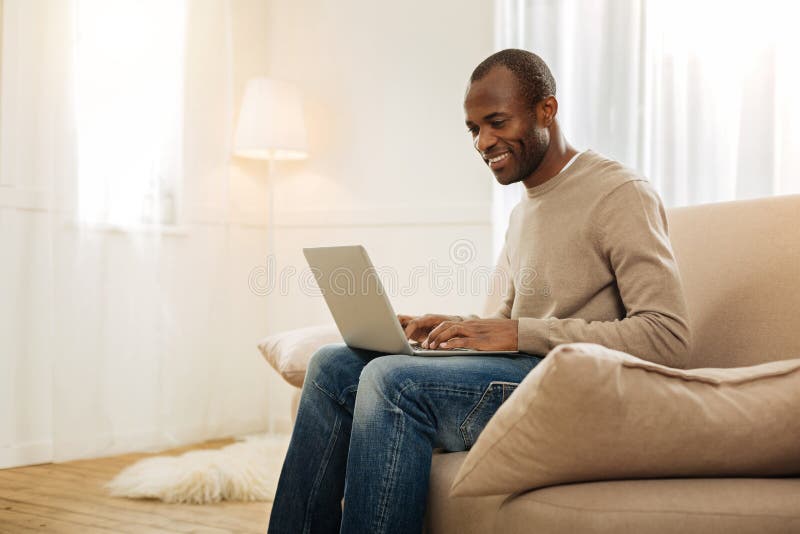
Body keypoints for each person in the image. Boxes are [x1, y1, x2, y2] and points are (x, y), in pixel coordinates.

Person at [267, 49, 691, 534]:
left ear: (546, 111)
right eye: (473, 129)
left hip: (574, 389)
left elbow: (668, 338)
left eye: (497, 122)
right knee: (331, 365)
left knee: (393, 381)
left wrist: (517, 333)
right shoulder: (524, 212)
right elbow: (505, 325)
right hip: (521, 374)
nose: (483, 142)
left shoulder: (620, 193)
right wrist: (450, 327)